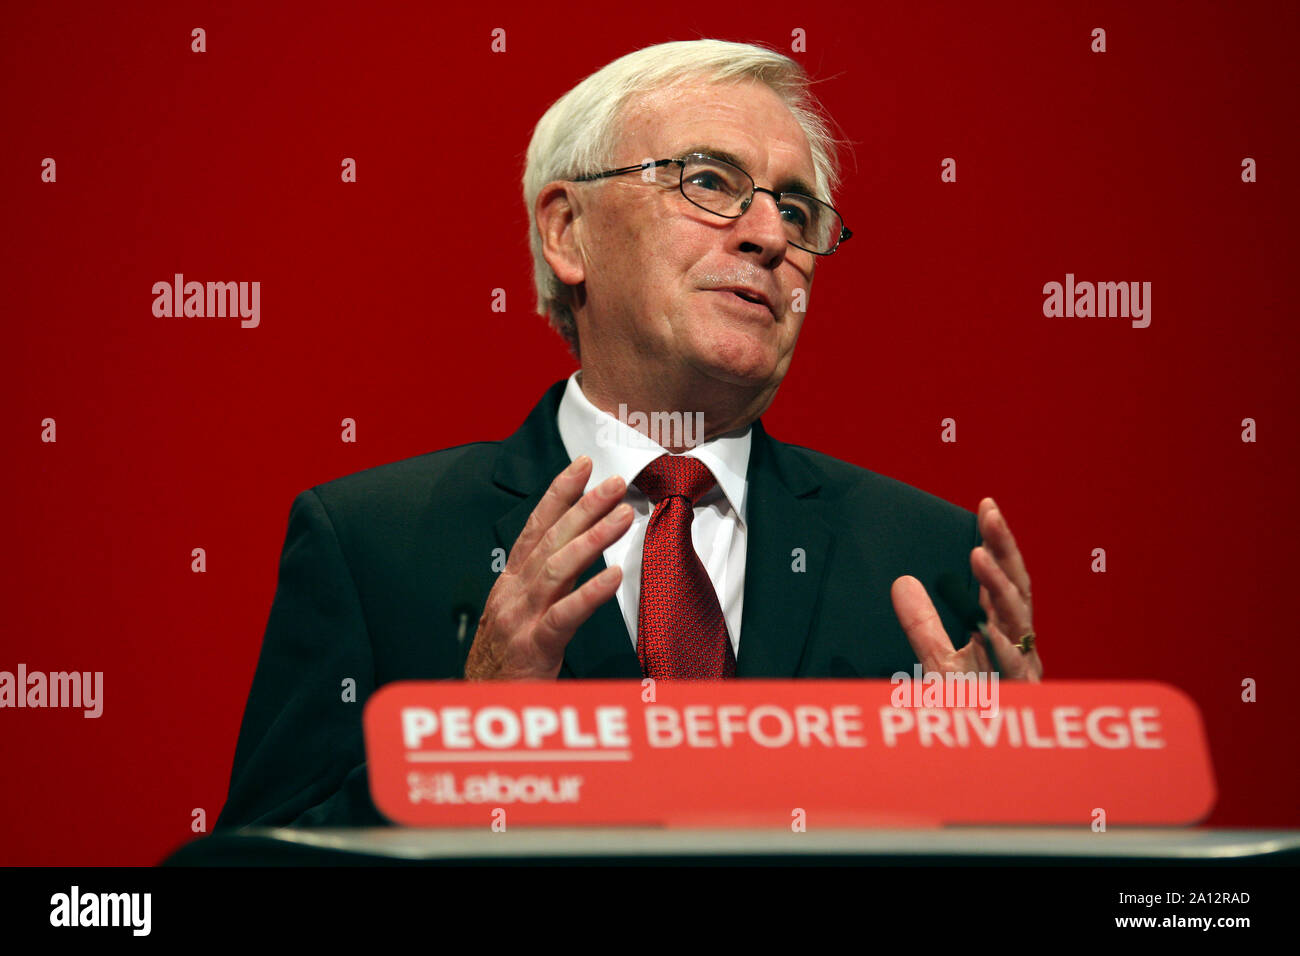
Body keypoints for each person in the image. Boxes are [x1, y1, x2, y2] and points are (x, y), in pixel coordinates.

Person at [215, 38, 1043, 830]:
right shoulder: (374, 545)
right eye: (709, 181)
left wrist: (1010, 797)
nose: (768, 236)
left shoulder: (928, 562)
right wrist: (469, 738)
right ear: (567, 231)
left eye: (795, 208)